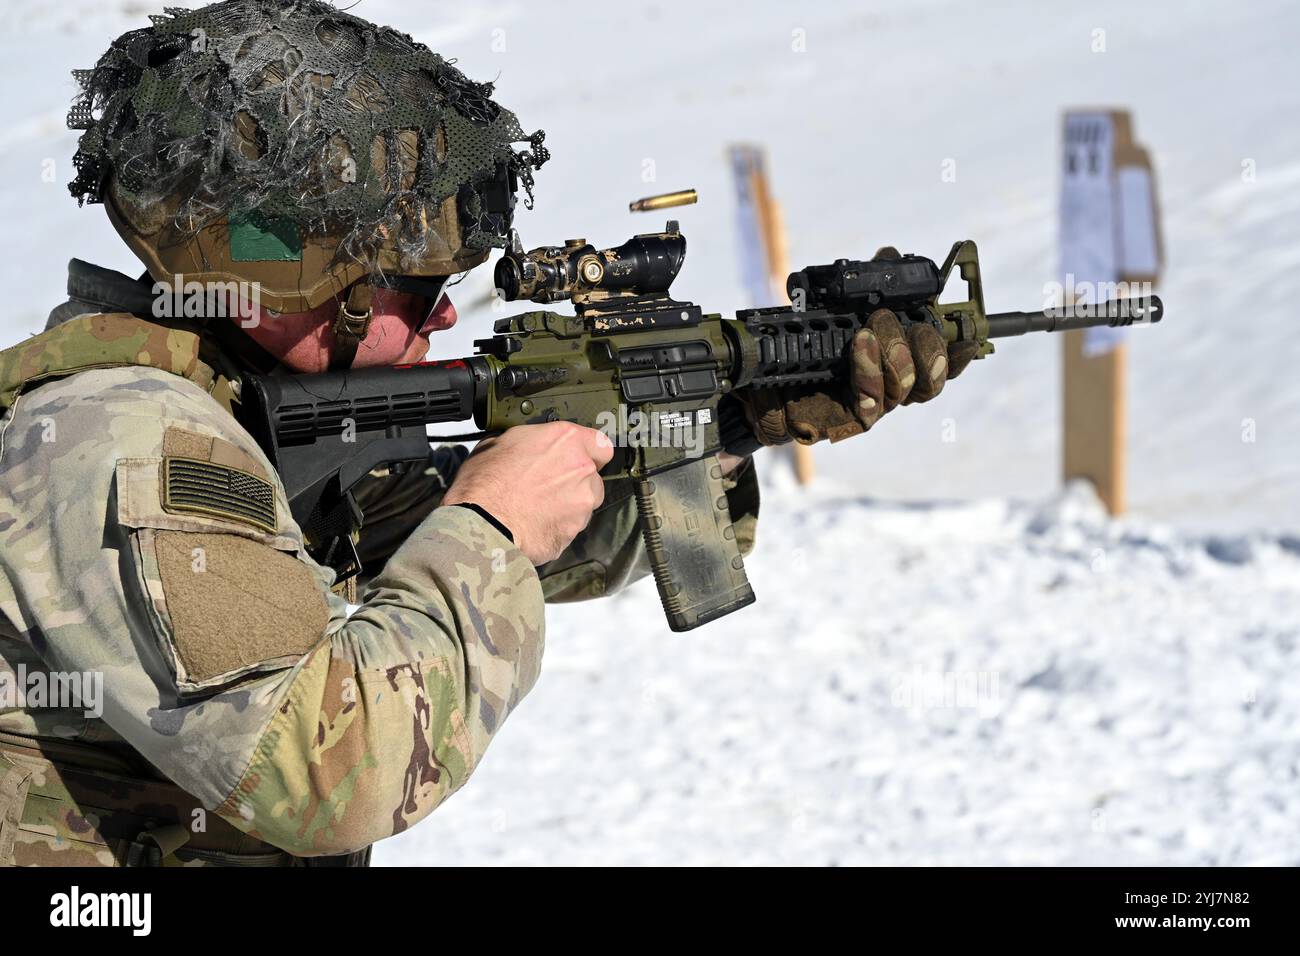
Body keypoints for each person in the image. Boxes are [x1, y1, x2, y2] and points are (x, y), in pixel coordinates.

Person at [0, 0, 975, 867]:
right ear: (296, 273)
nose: (443, 316)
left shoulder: (235, 413)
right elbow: (330, 771)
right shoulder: (123, 436)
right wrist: (490, 522)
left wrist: (730, 419)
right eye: (416, 284)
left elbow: (527, 563)